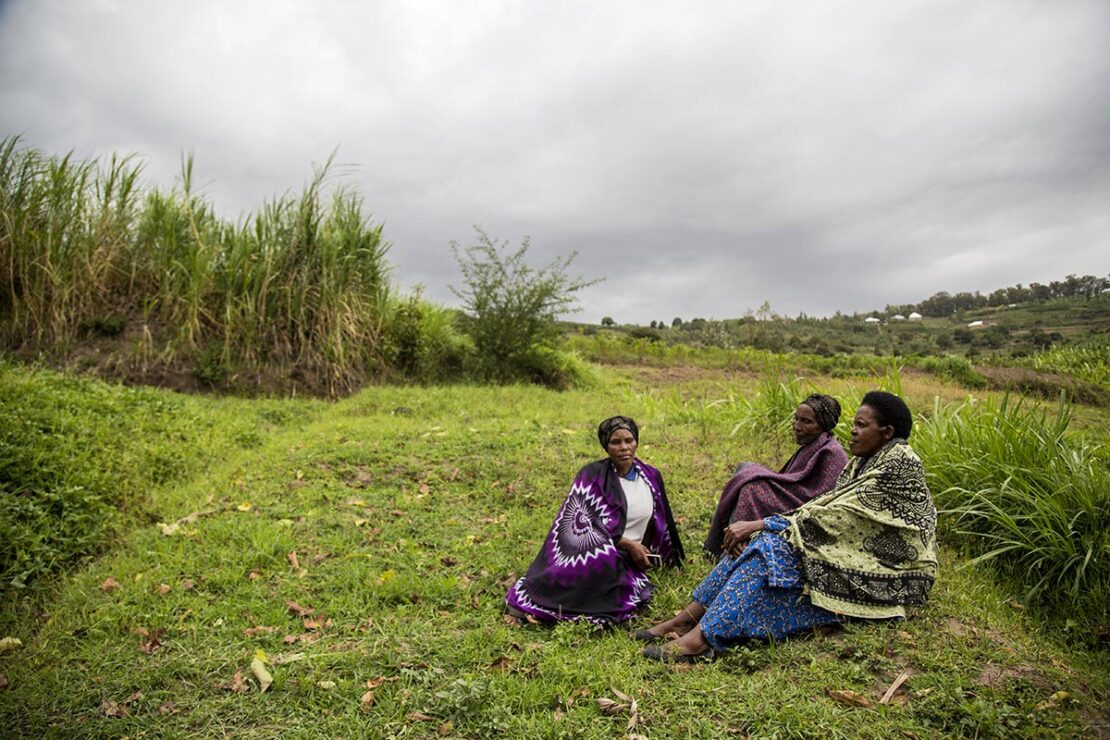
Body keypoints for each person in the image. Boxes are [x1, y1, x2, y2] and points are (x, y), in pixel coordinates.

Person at [639, 391, 937, 662]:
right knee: (763, 543)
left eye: (862, 425)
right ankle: (689, 619)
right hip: (851, 553)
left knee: (767, 543)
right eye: (854, 423)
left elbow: (838, 517)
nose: (854, 430)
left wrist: (762, 523)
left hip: (889, 571)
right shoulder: (866, 461)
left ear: (886, 433)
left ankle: (699, 638)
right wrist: (765, 525)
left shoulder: (898, 464)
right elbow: (825, 506)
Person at [505, 416, 684, 625]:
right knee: (589, 567)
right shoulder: (592, 475)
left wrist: (650, 551)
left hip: (630, 554)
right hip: (591, 548)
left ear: (636, 442)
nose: (624, 447)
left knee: (614, 584)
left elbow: (661, 520)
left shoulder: (650, 476)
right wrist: (626, 544)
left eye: (629, 440)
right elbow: (575, 524)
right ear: (606, 446)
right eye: (615, 442)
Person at [703, 394, 849, 560]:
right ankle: (733, 542)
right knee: (746, 472)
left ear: (824, 425)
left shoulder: (832, 453)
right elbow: (792, 479)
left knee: (752, 488)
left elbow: (821, 498)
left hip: (806, 513)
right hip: (795, 499)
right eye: (796, 419)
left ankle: (734, 544)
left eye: (806, 422)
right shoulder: (812, 445)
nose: (797, 426)